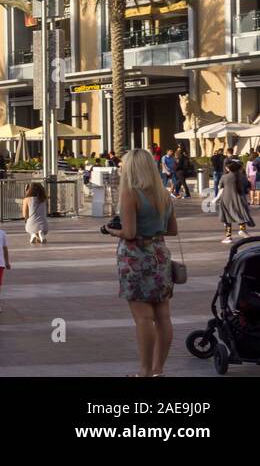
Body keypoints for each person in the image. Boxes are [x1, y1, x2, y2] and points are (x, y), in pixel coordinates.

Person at [110, 147, 179, 377]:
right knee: (163, 316)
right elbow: (173, 230)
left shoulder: (130, 193)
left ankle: (144, 371)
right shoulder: (164, 194)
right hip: (159, 254)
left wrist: (111, 230)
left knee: (143, 318)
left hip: (136, 257)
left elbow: (129, 233)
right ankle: (159, 370)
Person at [216, 158, 254, 243]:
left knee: (227, 217)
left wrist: (216, 199)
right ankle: (242, 230)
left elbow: (220, 188)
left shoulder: (224, 177)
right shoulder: (242, 176)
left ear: (228, 168)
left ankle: (228, 236)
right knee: (241, 214)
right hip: (239, 198)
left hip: (226, 199)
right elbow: (248, 187)